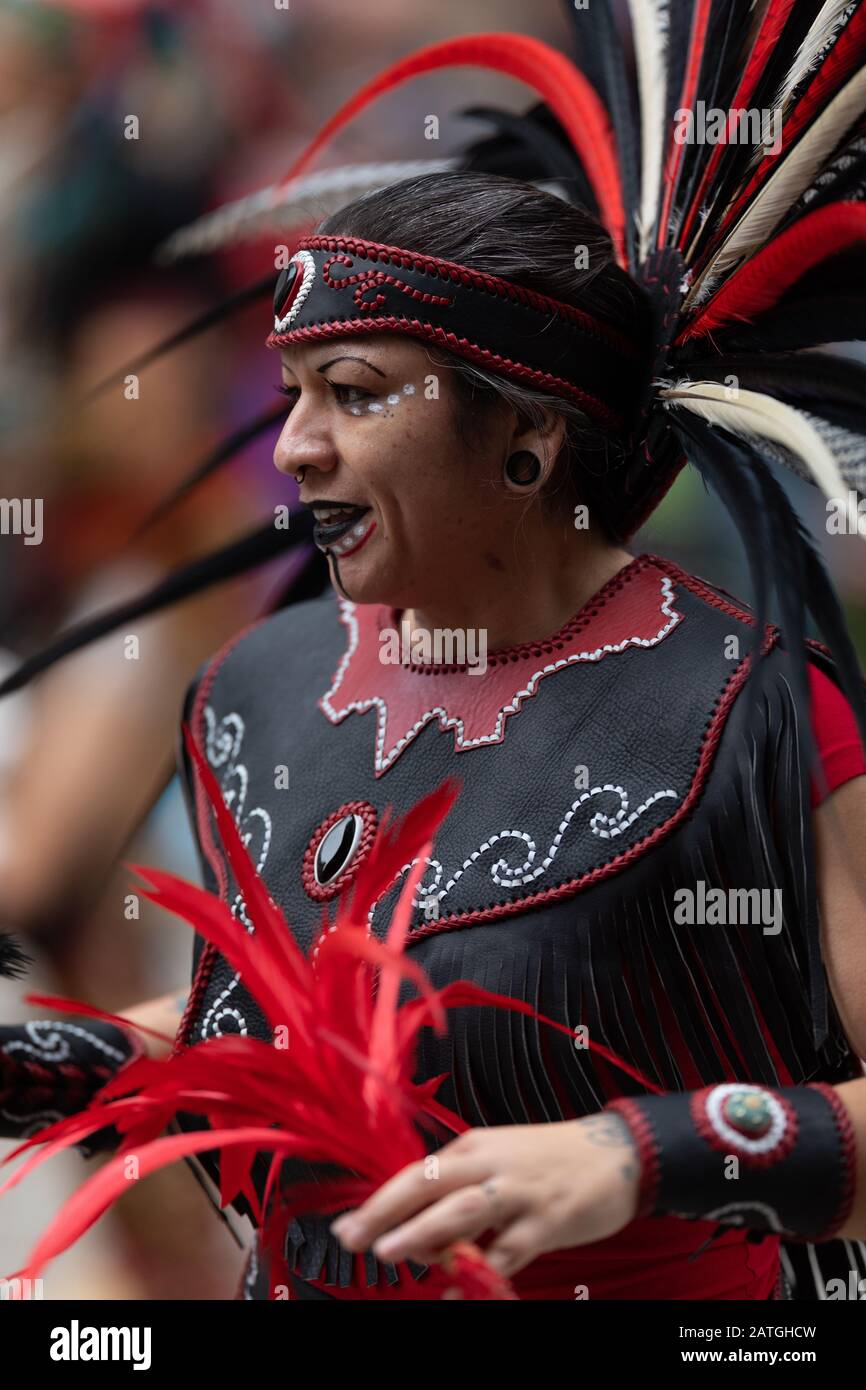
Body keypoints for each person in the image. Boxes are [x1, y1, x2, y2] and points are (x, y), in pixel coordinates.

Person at [3, 14, 866, 1302]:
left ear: (523, 440)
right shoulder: (260, 685)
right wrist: (64, 1065)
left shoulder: (751, 710)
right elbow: (282, 1047)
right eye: (290, 390)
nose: (294, 447)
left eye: (352, 392)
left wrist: (633, 1155)